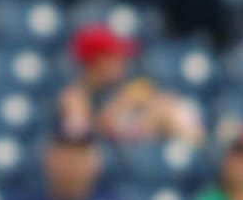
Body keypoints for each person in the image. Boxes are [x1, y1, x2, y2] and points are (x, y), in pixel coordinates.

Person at [58, 23, 204, 146]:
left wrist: (153, 115)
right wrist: (123, 104)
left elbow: (195, 138)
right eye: (117, 57)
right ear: (100, 62)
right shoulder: (74, 96)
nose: (124, 63)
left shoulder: (117, 89)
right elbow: (84, 139)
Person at [0, 122, 131, 200]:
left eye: (79, 156)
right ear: (47, 159)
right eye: (64, 155)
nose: (71, 165)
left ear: (97, 164)